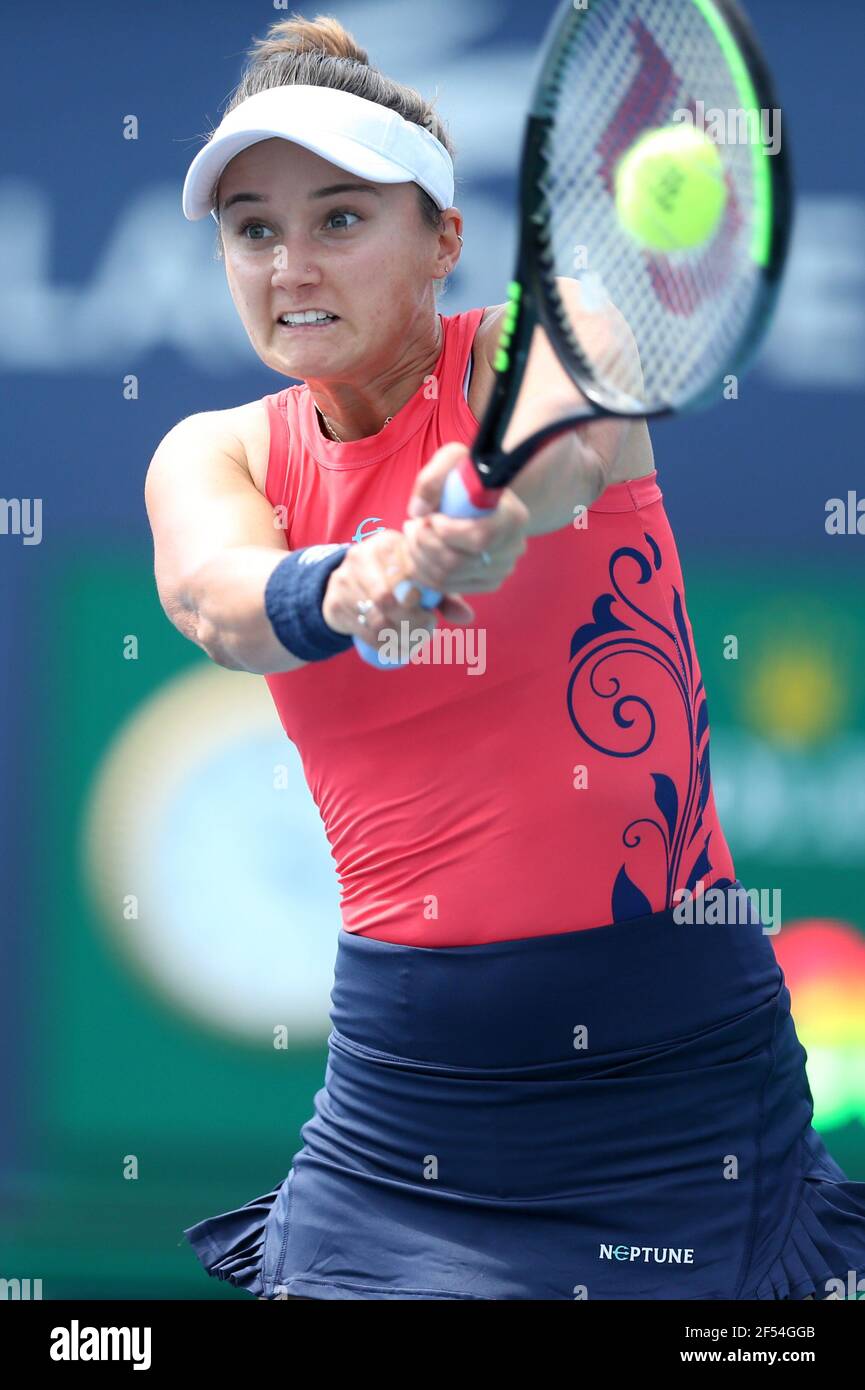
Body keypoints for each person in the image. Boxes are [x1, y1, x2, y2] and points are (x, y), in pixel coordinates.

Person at [146, 15, 865, 1301]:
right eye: (253, 229)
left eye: (341, 220)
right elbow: (217, 599)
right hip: (405, 1115)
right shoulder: (217, 450)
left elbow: (562, 438)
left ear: (443, 241)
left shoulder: (557, 325)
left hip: (676, 1098)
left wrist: (488, 513)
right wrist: (353, 580)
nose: (290, 263)